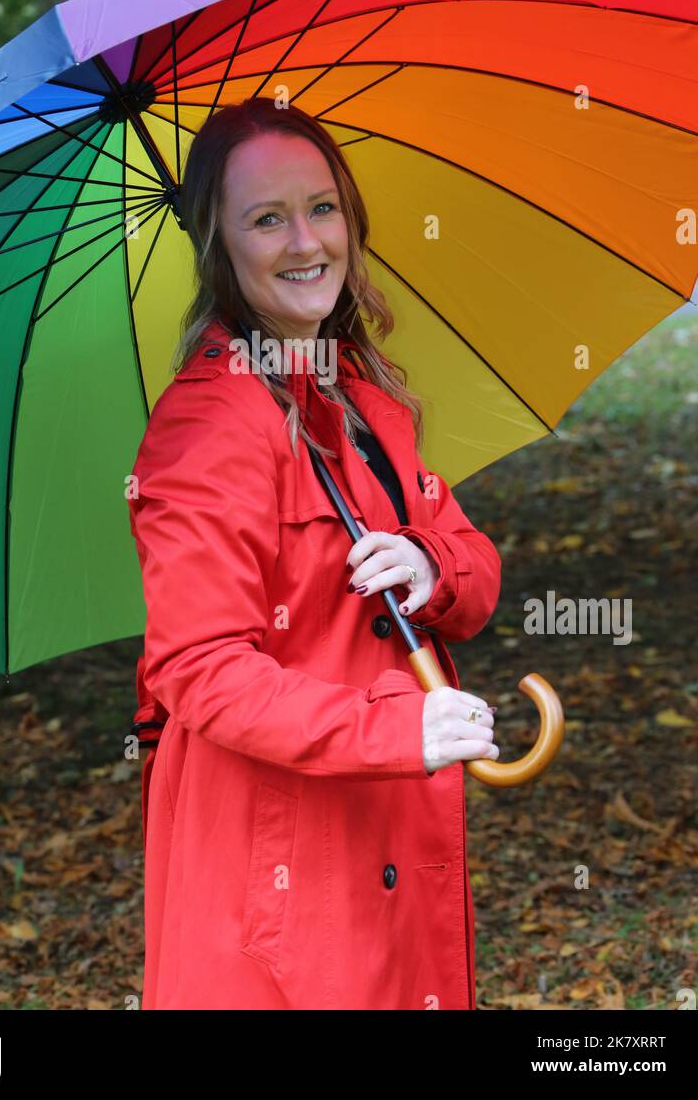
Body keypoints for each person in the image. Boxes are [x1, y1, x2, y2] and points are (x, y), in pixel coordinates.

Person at [128, 97, 502, 1010]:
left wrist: (428, 563)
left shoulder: (364, 401)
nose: (306, 241)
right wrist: (392, 730)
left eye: (322, 207)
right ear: (220, 246)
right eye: (266, 218)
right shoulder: (208, 425)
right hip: (281, 861)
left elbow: (474, 562)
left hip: (381, 833)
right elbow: (199, 667)